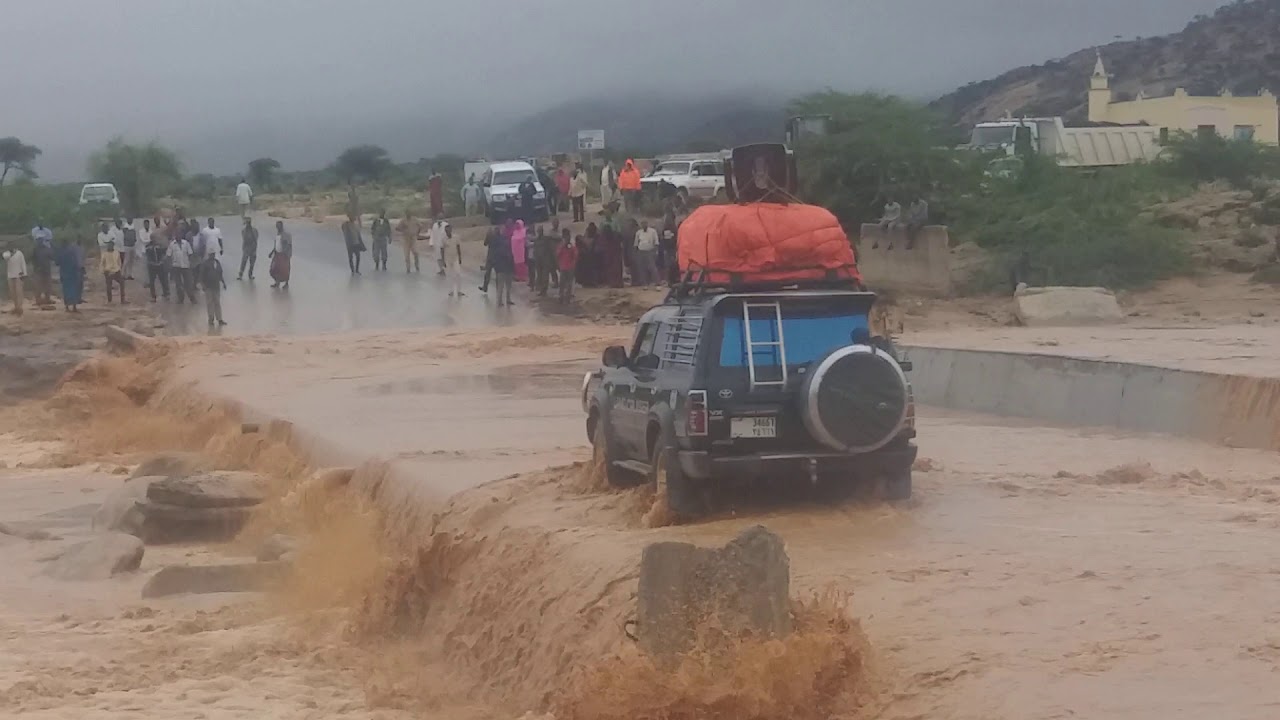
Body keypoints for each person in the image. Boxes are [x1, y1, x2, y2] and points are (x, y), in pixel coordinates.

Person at [488, 219, 516, 307]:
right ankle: (502, 300)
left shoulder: (500, 243)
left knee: (505, 285)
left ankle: (503, 300)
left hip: (504, 267)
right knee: (504, 285)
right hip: (503, 267)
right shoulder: (500, 244)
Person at [54, 239, 85, 312]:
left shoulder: (60, 251)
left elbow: (57, 262)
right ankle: (74, 307)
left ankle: (67, 307)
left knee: (66, 290)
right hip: (72, 273)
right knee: (74, 290)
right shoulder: (72, 251)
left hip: (64, 273)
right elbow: (76, 262)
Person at [29, 222, 54, 307]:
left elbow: (52, 257)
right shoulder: (35, 249)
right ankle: (38, 300)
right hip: (38, 270)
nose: (40, 241)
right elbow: (31, 258)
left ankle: (47, 299)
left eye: (41, 240)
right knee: (38, 285)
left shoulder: (47, 248)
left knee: (48, 285)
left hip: (46, 269)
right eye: (38, 240)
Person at [201, 250, 228, 327]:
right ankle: (211, 319)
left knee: (217, 303)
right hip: (208, 286)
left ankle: (219, 319)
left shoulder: (217, 263)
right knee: (210, 303)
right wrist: (203, 285)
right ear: (208, 255)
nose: (212, 255)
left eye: (213, 254)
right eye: (211, 254)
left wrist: (223, 283)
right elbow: (201, 275)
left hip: (216, 286)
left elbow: (220, 274)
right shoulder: (205, 264)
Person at [144, 229, 170, 301]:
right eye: (154, 238)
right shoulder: (148, 246)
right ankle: (153, 296)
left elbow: (164, 253)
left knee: (163, 280)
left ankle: (166, 294)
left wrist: (162, 261)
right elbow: (148, 255)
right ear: (152, 238)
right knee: (152, 281)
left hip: (159, 265)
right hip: (152, 265)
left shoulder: (160, 245)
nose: (156, 239)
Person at [633, 220, 660, 287]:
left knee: (652, 268)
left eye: (645, 223)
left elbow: (656, 242)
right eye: (642, 224)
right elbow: (636, 243)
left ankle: (657, 283)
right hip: (641, 251)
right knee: (642, 268)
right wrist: (636, 253)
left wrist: (655, 251)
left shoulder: (653, 231)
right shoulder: (638, 232)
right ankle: (645, 284)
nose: (644, 225)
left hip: (650, 251)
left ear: (647, 224)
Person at [533, 225, 557, 297]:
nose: (539, 232)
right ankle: (541, 290)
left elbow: (551, 249)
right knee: (540, 276)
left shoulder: (546, 239)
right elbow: (535, 250)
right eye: (538, 231)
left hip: (546, 261)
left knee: (545, 276)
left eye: (540, 231)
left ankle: (544, 290)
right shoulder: (536, 240)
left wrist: (552, 260)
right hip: (538, 261)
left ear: (542, 231)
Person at [441, 222, 464, 297]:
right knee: (449, 275)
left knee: (458, 273)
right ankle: (450, 291)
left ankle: (459, 291)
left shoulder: (456, 237)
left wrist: (460, 257)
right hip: (447, 259)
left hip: (455, 258)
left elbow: (458, 247)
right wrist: (443, 260)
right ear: (445, 231)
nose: (448, 232)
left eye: (449, 230)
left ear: (451, 230)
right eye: (446, 231)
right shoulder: (443, 239)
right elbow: (442, 249)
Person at [599, 223, 624, 288]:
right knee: (613, 270)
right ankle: (615, 283)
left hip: (614, 255)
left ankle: (616, 283)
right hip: (612, 255)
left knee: (614, 269)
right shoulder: (606, 236)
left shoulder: (613, 235)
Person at [269, 221, 293, 289]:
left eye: (279, 226)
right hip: (277, 254)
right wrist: (272, 252)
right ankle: (277, 282)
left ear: (282, 226)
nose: (277, 227)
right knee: (275, 269)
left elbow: (289, 245)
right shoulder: (277, 235)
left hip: (284, 255)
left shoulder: (287, 235)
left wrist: (286, 254)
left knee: (285, 270)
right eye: (277, 226)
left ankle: (286, 283)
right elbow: (276, 245)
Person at [100, 239, 126, 304]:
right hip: (108, 271)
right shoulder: (104, 254)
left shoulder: (116, 252)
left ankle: (122, 300)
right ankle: (109, 300)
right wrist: (103, 271)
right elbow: (102, 264)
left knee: (122, 283)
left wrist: (119, 269)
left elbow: (119, 262)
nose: (110, 247)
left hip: (116, 271)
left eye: (111, 245)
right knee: (109, 286)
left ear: (113, 246)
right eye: (109, 245)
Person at [4, 246, 27, 317]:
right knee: (13, 292)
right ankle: (16, 306)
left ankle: (19, 308)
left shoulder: (19, 253)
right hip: (10, 275)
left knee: (19, 292)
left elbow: (23, 263)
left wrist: (25, 273)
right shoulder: (6, 253)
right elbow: (6, 257)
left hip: (19, 274)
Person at [557, 230, 578, 304]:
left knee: (569, 284)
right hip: (563, 267)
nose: (567, 238)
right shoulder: (561, 245)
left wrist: (573, 264)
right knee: (562, 283)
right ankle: (561, 296)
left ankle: (567, 297)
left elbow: (575, 255)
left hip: (570, 267)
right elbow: (558, 254)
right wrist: (563, 246)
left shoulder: (572, 246)